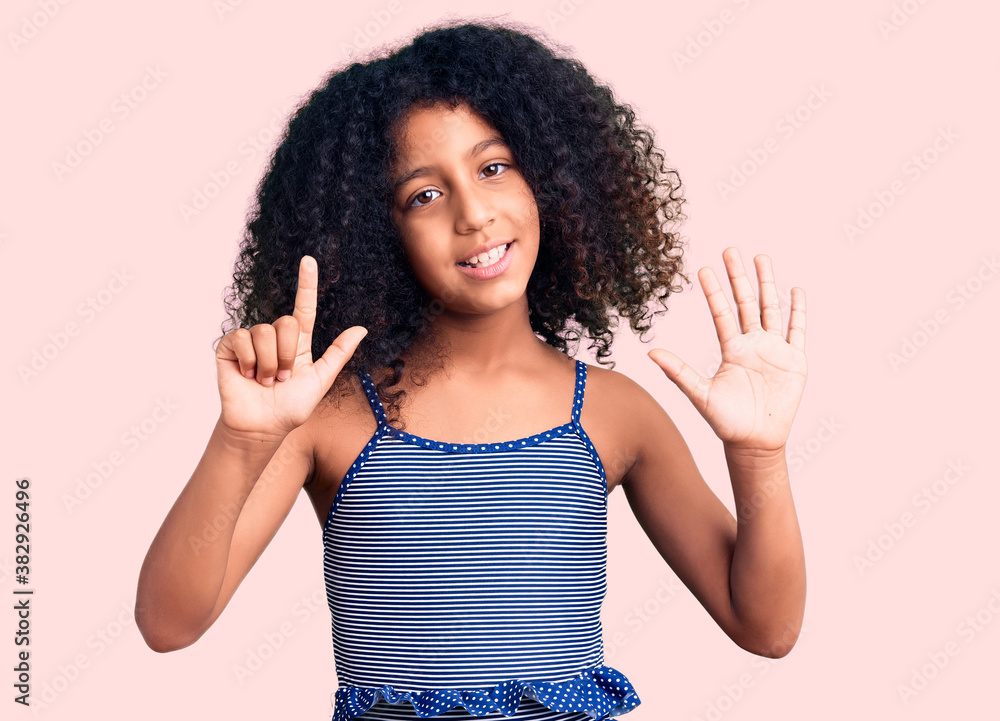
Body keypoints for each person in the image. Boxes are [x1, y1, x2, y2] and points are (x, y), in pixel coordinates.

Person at [135, 18, 807, 721]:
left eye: (493, 168)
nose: (474, 214)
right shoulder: (330, 418)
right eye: (424, 195)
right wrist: (241, 441)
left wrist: (758, 455)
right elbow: (168, 622)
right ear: (374, 233)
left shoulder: (612, 414)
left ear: (550, 178)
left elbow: (766, 626)